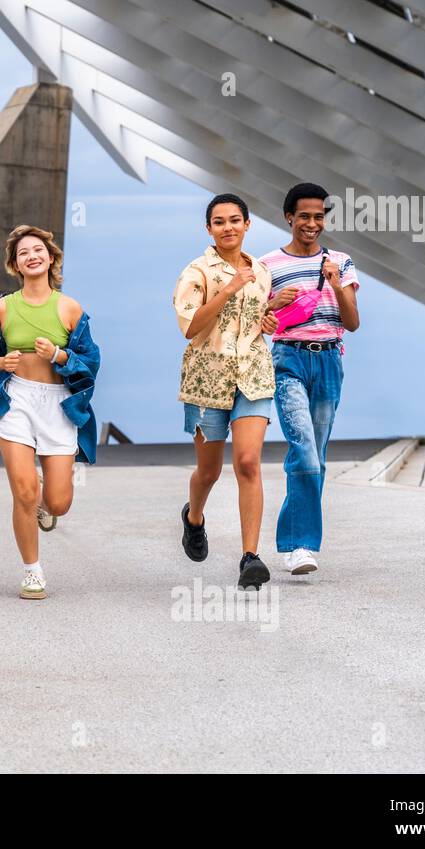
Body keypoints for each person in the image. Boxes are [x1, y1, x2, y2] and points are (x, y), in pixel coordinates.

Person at [0, 226, 99, 600]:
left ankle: (46, 507)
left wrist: (59, 356)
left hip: (58, 404)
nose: (32, 256)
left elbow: (91, 362)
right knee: (24, 491)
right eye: (24, 252)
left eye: (38, 250)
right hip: (16, 401)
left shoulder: (70, 308)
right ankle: (32, 571)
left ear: (50, 257)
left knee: (58, 501)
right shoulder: (1, 308)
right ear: (15, 264)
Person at [172, 194, 280, 589]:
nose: (228, 227)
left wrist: (268, 320)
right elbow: (191, 325)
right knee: (209, 471)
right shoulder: (196, 271)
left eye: (235, 220)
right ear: (209, 229)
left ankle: (250, 557)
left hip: (253, 372)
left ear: (248, 224)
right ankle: (194, 518)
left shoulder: (262, 271)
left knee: (248, 463)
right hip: (207, 379)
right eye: (220, 222)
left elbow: (255, 321)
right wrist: (230, 288)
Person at [260, 182, 361, 576]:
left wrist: (335, 284)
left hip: (329, 361)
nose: (312, 223)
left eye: (319, 216)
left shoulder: (342, 261)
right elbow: (259, 322)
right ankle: (300, 545)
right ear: (289, 217)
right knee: (302, 446)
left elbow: (352, 323)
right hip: (288, 359)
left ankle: (295, 540)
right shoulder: (267, 265)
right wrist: (273, 303)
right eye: (304, 216)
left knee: (316, 457)